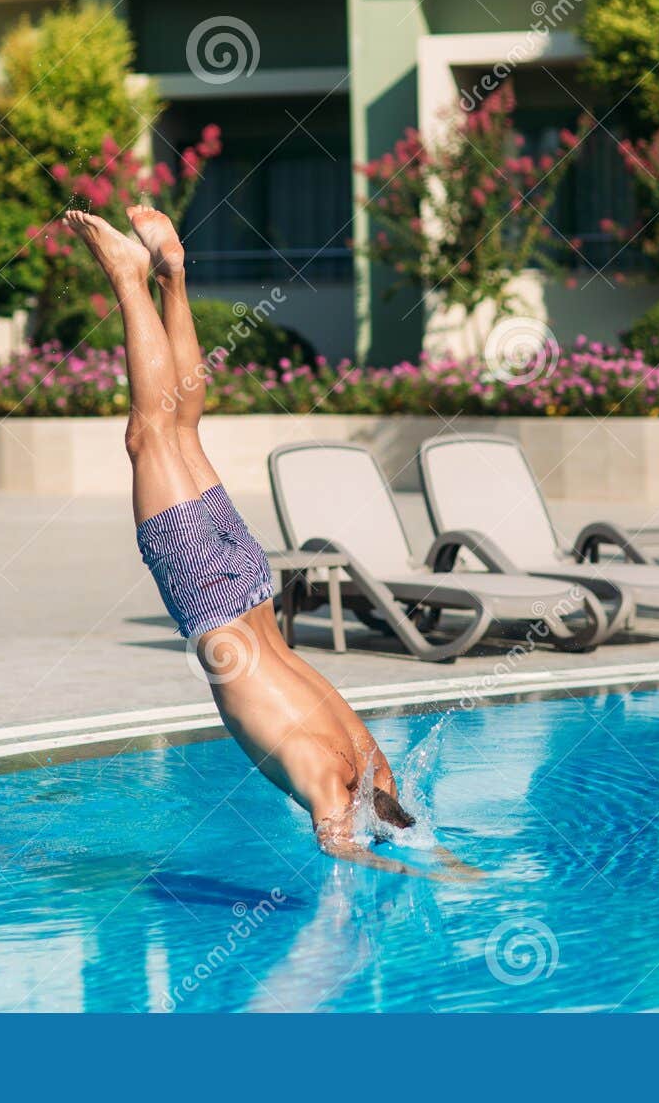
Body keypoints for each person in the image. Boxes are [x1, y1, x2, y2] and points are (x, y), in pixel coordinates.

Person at [66, 206, 472, 879]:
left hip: (251, 585)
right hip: (215, 598)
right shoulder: (332, 781)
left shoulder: (376, 766)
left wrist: (453, 869)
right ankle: (131, 277)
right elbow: (342, 843)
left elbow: (402, 827)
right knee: (151, 435)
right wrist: (414, 872)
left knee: (182, 431)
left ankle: (173, 277)